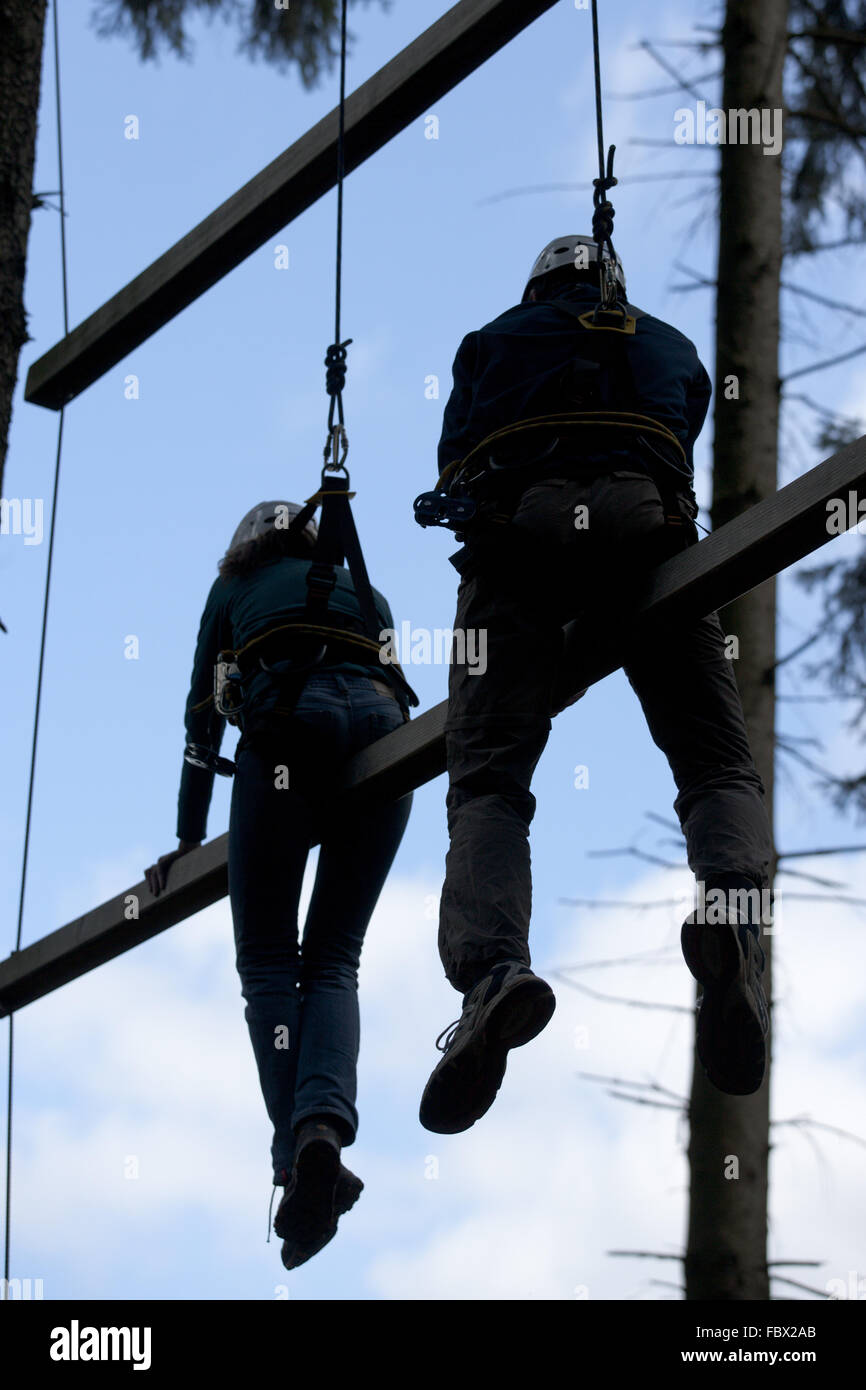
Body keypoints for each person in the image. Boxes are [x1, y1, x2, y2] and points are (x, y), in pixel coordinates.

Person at [419, 236, 773, 1136]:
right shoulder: (667, 343)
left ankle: (494, 972)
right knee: (713, 757)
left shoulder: (491, 339)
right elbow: (683, 424)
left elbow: (453, 454)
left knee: (490, 777)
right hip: (641, 526)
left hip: (520, 540)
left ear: (536, 282)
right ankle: (730, 908)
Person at [145, 500, 412, 1267]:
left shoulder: (232, 591)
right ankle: (319, 1134)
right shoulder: (367, 586)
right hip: (385, 734)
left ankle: (300, 1158)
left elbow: (204, 717)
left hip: (288, 727)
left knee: (268, 958)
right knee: (334, 957)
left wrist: (189, 836)